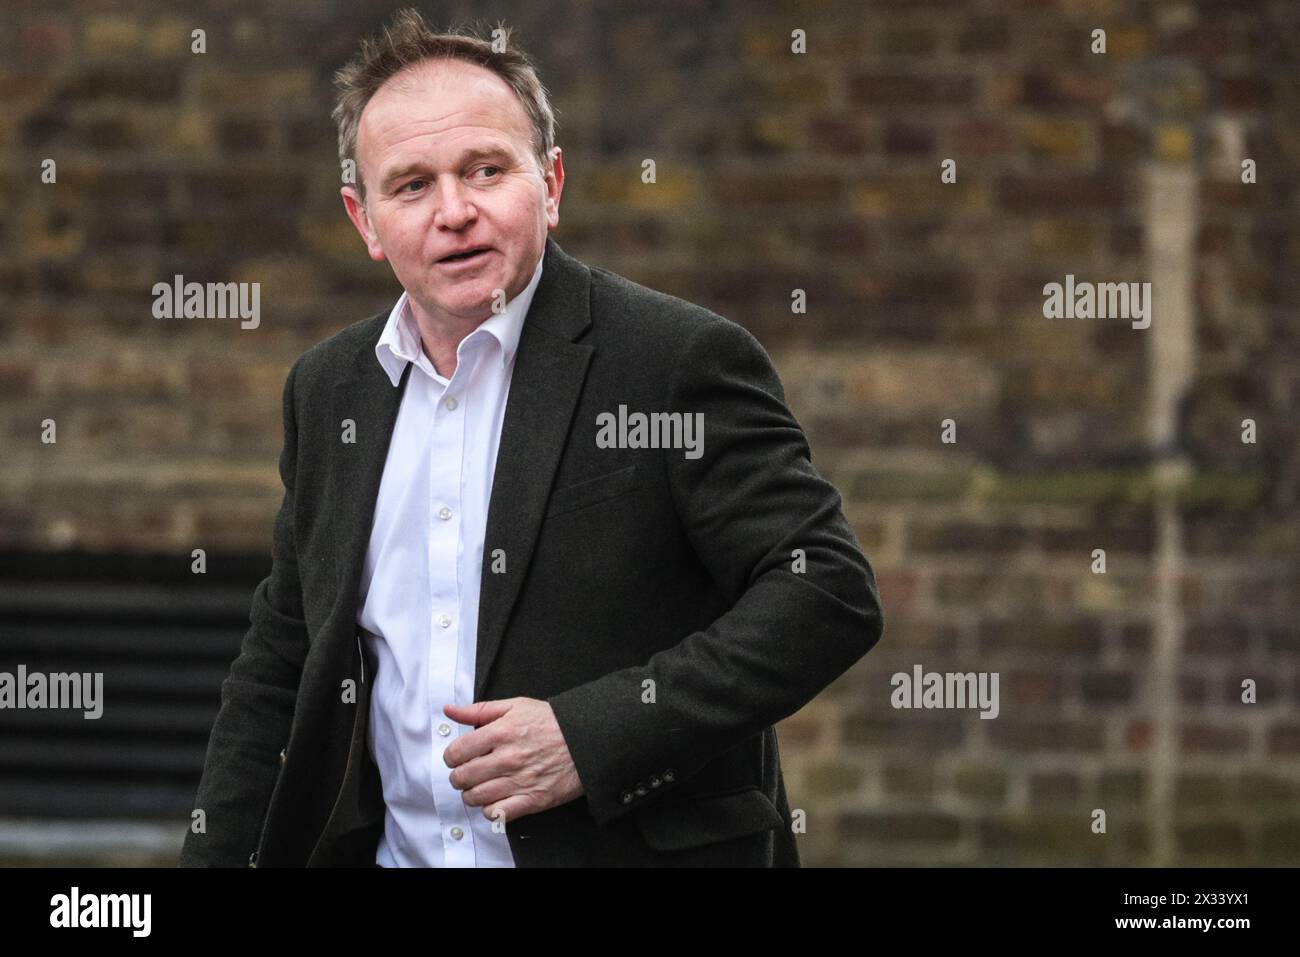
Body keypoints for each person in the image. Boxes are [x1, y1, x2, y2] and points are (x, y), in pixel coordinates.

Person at [179, 8, 883, 868]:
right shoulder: (329, 390)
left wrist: (588, 736)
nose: (455, 212)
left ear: (551, 183)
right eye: (411, 185)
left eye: (486, 170)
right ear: (364, 221)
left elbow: (826, 592)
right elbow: (284, 656)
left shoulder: (672, 361)